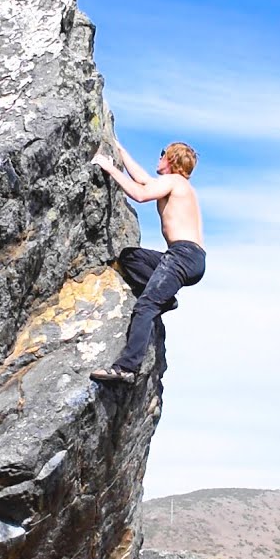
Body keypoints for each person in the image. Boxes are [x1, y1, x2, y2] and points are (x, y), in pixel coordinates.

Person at [89, 141, 205, 384]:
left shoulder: (174, 182)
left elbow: (140, 194)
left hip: (182, 255)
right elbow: (142, 179)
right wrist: (120, 150)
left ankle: (126, 368)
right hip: (188, 256)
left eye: (163, 153)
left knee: (145, 307)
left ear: (171, 160)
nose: (159, 156)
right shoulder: (177, 185)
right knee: (130, 257)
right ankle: (167, 298)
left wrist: (110, 169)